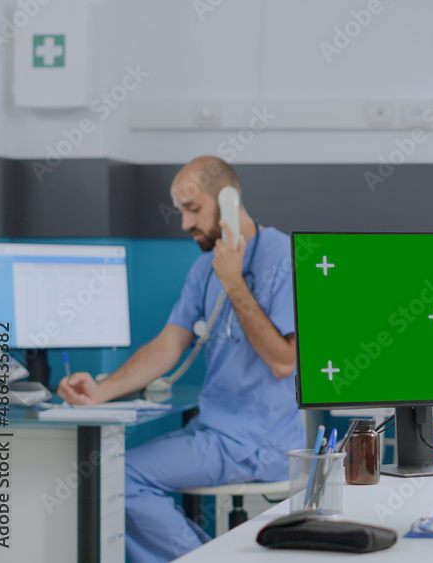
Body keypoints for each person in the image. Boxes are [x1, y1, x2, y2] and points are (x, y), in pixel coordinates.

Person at [58, 156, 305, 562]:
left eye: (193, 209)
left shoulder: (283, 259)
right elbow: (169, 345)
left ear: (229, 201)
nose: (186, 223)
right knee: (114, 470)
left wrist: (235, 282)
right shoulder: (204, 269)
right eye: (181, 211)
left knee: (117, 475)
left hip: (260, 443)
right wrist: (100, 391)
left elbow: (283, 362)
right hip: (214, 433)